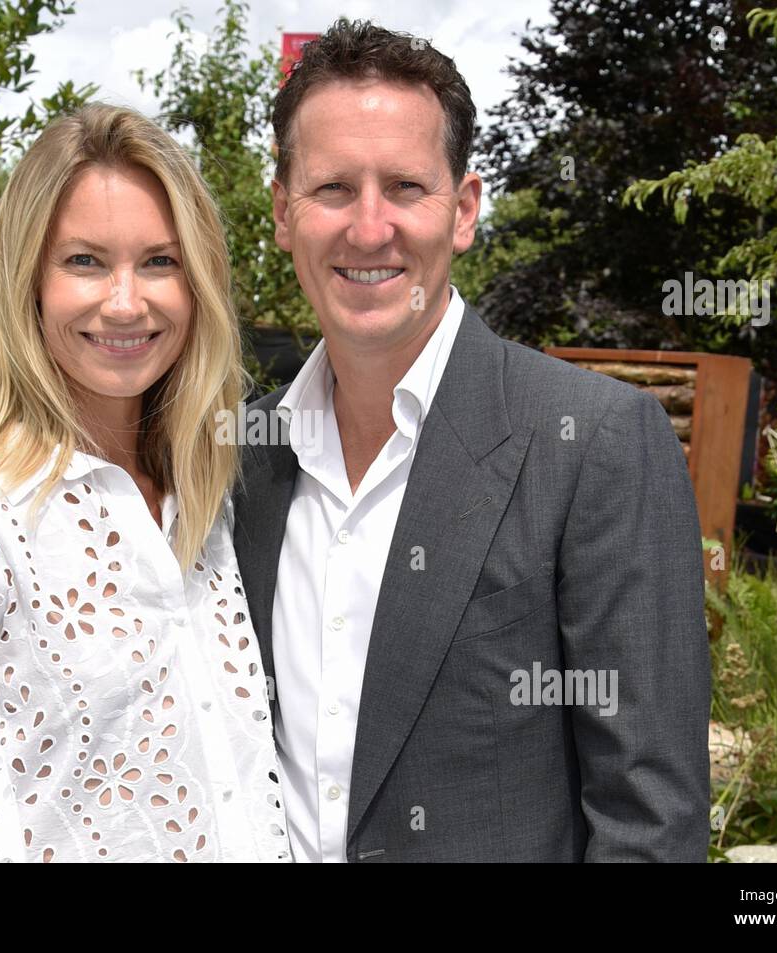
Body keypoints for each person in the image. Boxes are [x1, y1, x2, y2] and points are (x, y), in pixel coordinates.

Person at [232, 19, 712, 862]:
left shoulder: (593, 445)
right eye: (334, 188)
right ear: (282, 213)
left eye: (407, 187)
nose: (369, 227)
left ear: (463, 211)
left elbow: (651, 823)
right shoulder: (243, 460)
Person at [0, 102, 291, 862]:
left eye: (160, 261)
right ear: (27, 280)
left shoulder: (213, 502)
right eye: (85, 261)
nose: (127, 300)